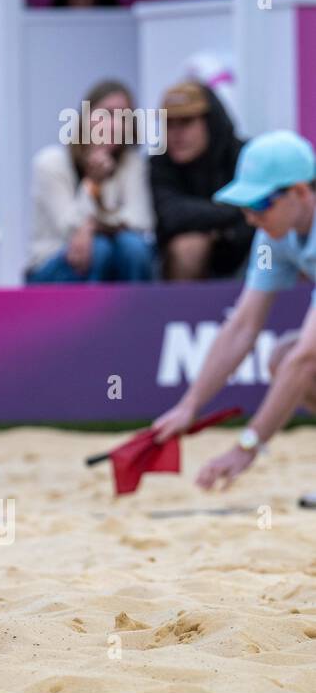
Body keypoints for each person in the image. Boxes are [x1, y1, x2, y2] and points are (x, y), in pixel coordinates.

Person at [152, 131, 316, 490]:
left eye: (259, 205)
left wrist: (247, 447)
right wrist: (189, 406)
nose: (250, 218)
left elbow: (307, 358)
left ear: (300, 192)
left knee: (301, 361)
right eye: (245, 207)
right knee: (281, 357)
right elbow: (243, 325)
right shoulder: (277, 234)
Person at [26, 79, 155, 283]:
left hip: (110, 258)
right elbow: (68, 228)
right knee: (99, 248)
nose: (115, 125)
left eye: (125, 118)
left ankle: (138, 312)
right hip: (51, 269)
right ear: (85, 118)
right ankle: (91, 315)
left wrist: (91, 226)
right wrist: (93, 183)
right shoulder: (50, 162)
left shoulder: (132, 163)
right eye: (107, 114)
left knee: (134, 247)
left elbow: (140, 222)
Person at [151, 81, 253, 280]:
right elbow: (171, 215)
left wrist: (220, 227)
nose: (176, 133)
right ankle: (181, 311)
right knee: (189, 247)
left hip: (248, 257)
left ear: (211, 122)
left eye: (186, 121)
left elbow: (262, 214)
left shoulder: (246, 155)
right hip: (186, 268)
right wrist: (232, 213)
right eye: (169, 124)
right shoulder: (160, 163)